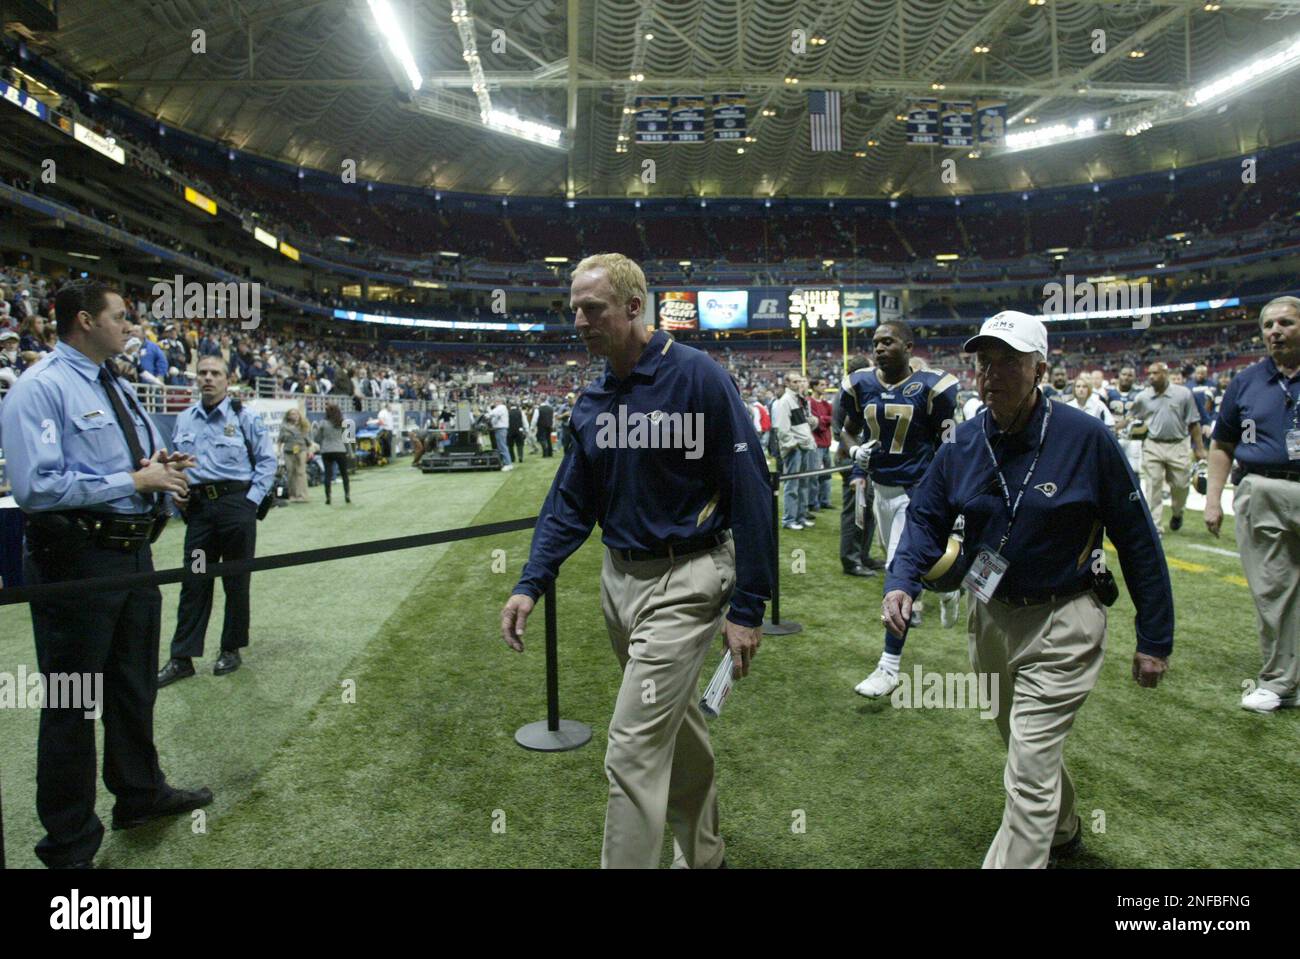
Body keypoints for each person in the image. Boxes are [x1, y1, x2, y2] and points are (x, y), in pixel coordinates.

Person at [498, 253, 773, 869]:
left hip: (688, 577)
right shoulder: (595, 395)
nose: (580, 320)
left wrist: (750, 604)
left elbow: (751, 487)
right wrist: (530, 582)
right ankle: (706, 856)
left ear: (632, 306)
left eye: (592, 308)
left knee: (630, 749)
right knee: (676, 729)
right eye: (574, 308)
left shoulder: (700, 377)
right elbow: (570, 500)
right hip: (618, 580)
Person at [884, 310, 1173, 869]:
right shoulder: (965, 443)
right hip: (989, 614)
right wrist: (901, 582)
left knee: (1029, 762)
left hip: (1065, 616)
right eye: (984, 362)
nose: (991, 374)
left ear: (1039, 369)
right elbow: (924, 517)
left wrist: (1154, 637)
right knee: (1019, 743)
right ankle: (1063, 830)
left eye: (1008, 362)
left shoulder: (1086, 439)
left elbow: (1137, 538)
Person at [0, 279, 212, 868]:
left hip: (131, 557)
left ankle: (139, 795)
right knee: (73, 702)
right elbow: (36, 488)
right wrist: (134, 482)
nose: (131, 326)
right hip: (76, 561)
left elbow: (123, 463)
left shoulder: (115, 382)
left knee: (132, 684)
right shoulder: (40, 389)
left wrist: (156, 466)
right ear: (85, 321)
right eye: (121, 316)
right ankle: (68, 844)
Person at [839, 319, 960, 698]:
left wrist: (947, 496)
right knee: (904, 566)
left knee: (896, 571)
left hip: (915, 491)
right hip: (882, 489)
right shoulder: (860, 384)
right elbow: (847, 430)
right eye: (875, 342)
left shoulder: (932, 388)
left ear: (909, 346)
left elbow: (950, 444)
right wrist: (855, 452)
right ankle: (946, 584)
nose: (878, 348)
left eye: (887, 342)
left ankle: (889, 666)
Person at [1204, 296, 1300, 713]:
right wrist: (1213, 500)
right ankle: (1282, 682)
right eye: (1268, 325)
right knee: (1274, 590)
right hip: (1261, 490)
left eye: (1285, 322)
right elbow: (1222, 443)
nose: (1275, 331)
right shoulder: (1245, 382)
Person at [157, 355, 276, 687]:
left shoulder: (244, 417)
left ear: (228, 380)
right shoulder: (183, 420)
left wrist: (249, 504)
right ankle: (182, 657)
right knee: (194, 581)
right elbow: (175, 466)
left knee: (236, 581)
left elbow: (267, 461)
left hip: (235, 509)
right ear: (196, 379)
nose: (208, 378)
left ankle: (231, 648)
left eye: (216, 373)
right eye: (203, 373)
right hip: (199, 515)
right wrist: (176, 494)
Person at [1129, 361, 1207, 533]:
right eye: (1149, 373)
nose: (1151, 377)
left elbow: (1194, 422)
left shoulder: (1183, 394)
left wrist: (1200, 448)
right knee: (1153, 485)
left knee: (1181, 485)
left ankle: (1178, 512)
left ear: (1165, 373)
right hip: (1152, 444)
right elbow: (1131, 417)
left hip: (1178, 444)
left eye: (1155, 373)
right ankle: (1154, 527)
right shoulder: (1143, 397)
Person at [833, 354, 881, 577]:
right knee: (855, 510)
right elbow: (841, 431)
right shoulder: (846, 394)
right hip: (851, 459)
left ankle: (862, 555)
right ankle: (851, 560)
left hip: (863, 458)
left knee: (867, 510)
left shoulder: (857, 393)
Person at [772, 372, 816, 530]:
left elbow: (806, 423)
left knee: (803, 483)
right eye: (795, 381)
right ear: (787, 383)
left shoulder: (801, 399)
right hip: (795, 448)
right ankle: (789, 519)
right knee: (793, 485)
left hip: (803, 446)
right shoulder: (785, 401)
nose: (799, 384)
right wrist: (793, 445)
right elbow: (782, 428)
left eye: (800, 381)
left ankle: (801, 516)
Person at [1105, 366, 1143, 476]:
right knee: (1112, 469)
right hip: (1113, 435)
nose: (1126, 378)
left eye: (1130, 375)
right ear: (1119, 376)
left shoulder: (1140, 393)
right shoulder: (1108, 392)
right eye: (1124, 374)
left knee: (1134, 470)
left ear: (1135, 378)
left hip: (1133, 437)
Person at [314, 402, 352, 504]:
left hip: (326, 450)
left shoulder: (322, 423)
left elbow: (317, 438)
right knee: (344, 474)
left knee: (328, 474)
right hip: (340, 450)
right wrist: (350, 453)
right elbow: (347, 440)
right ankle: (347, 495)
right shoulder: (343, 423)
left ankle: (328, 497)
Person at [809, 377, 835, 510]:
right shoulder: (810, 402)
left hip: (826, 442)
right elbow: (815, 423)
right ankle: (813, 502)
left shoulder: (826, 404)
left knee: (827, 474)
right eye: (822, 385)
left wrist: (822, 420)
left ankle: (825, 500)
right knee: (814, 474)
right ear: (814, 387)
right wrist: (825, 420)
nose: (825, 387)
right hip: (816, 442)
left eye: (825, 384)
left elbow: (832, 418)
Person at [280, 406, 312, 503]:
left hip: (301, 450)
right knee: (290, 473)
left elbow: (308, 441)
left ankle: (302, 495)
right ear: (288, 416)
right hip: (288, 451)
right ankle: (292, 495)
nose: (295, 416)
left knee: (301, 472)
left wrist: (309, 451)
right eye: (293, 414)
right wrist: (278, 451)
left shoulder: (303, 426)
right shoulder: (284, 427)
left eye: (297, 414)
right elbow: (280, 440)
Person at [488, 396, 513, 470]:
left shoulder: (501, 407)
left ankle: (508, 464)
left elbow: (492, 413)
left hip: (501, 429)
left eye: (495, 402)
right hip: (499, 429)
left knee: (502, 446)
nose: (494, 404)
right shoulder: (501, 408)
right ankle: (505, 463)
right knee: (501, 446)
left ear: (498, 401)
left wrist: (488, 410)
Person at [507, 398, 526, 464]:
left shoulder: (508, 412)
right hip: (519, 430)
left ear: (510, 405)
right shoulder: (520, 412)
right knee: (520, 445)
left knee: (510, 445)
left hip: (510, 430)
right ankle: (520, 456)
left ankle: (512, 458)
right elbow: (524, 421)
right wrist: (525, 429)